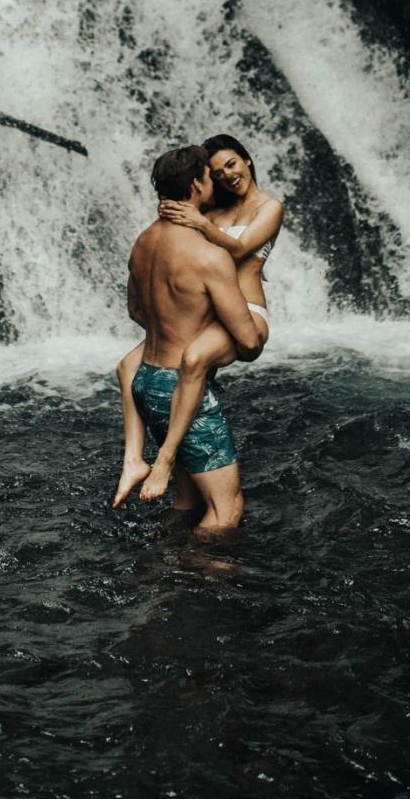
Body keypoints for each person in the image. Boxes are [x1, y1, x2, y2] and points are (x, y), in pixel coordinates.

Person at [111, 135, 284, 520]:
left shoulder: (266, 208)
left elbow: (139, 310)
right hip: (203, 340)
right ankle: (200, 575)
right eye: (215, 172)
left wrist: (180, 318)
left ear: (248, 161)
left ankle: (166, 568)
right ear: (199, 185)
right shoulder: (208, 234)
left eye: (231, 165)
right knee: (225, 509)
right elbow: (247, 340)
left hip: (174, 362)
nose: (224, 175)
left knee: (189, 500)